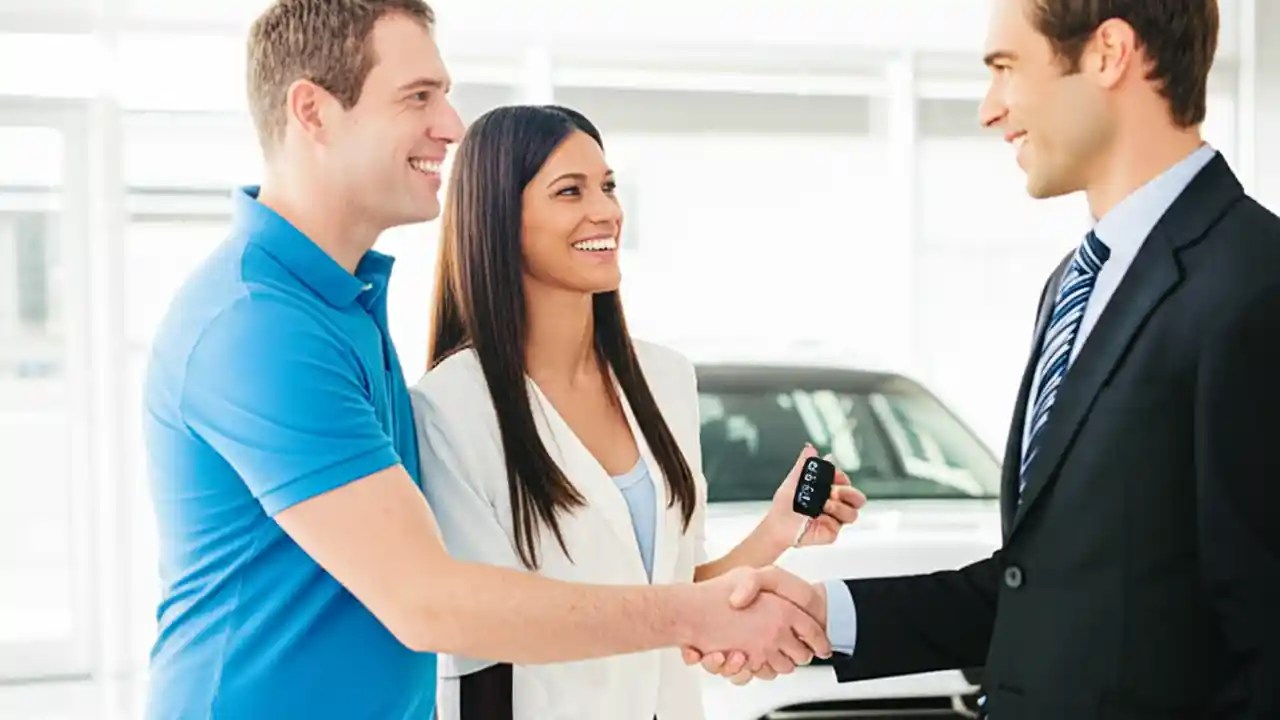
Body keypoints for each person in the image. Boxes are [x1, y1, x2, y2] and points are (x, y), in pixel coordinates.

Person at [140, 2, 832, 718]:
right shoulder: (258, 326)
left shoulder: (339, 308)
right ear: (313, 112)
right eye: (418, 97)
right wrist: (696, 615)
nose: (451, 125)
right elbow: (428, 601)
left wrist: (737, 574)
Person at [690, 0, 1280, 717]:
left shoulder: (1256, 285)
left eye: (1006, 67)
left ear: (1108, 53)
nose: (989, 109)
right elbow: (1043, 588)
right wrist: (825, 613)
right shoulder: (1073, 285)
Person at [410, 104, 867, 720]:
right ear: (497, 218)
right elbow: (484, 627)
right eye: (569, 191)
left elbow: (678, 595)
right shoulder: (450, 407)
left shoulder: (666, 379)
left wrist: (778, 531)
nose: (606, 211)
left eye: (607, 186)